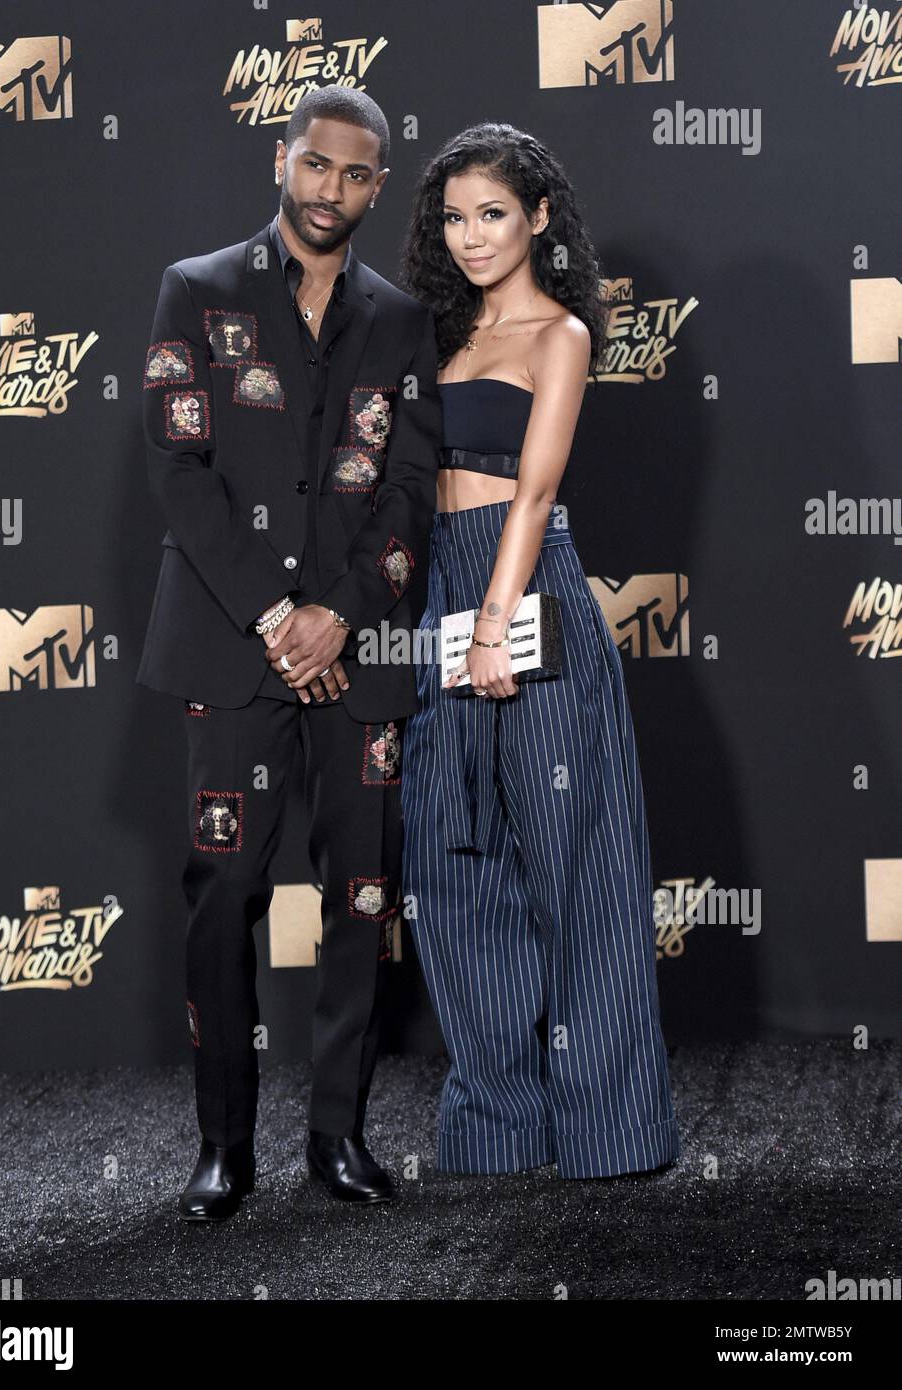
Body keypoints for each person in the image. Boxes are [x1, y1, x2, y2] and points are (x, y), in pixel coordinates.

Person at [136, 86, 441, 1218]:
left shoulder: (402, 321)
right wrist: (278, 615)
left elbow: (408, 494)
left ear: (376, 188)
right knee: (225, 892)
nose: (332, 193)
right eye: (317, 166)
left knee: (361, 897)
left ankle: (339, 1136)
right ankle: (223, 1145)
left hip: (356, 654)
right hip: (231, 647)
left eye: (358, 176)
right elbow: (180, 472)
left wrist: (340, 617)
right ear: (283, 158)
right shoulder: (196, 288)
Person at [399, 123, 681, 1179]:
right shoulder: (431, 335)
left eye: (493, 215)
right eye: (454, 217)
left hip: (524, 592)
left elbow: (534, 487)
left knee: (578, 868)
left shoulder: (557, 333)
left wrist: (487, 620)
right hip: (437, 592)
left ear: (538, 220)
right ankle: (495, 1127)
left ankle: (609, 1134)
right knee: (451, 860)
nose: (471, 237)